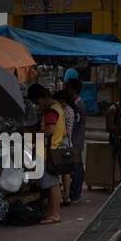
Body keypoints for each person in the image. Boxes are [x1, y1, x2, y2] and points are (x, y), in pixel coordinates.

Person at [30, 85, 64, 225]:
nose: (38, 106)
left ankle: (55, 214)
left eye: (37, 103)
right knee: (51, 185)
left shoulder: (51, 112)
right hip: (52, 151)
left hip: (48, 152)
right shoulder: (57, 108)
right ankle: (50, 212)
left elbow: (49, 131)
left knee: (52, 185)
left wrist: (32, 136)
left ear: (42, 98)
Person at [63, 75, 88, 205]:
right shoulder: (77, 104)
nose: (65, 89)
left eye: (67, 87)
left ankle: (75, 194)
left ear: (73, 89)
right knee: (76, 167)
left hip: (76, 141)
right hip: (75, 140)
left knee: (77, 167)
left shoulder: (78, 105)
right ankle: (74, 193)